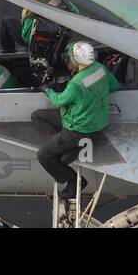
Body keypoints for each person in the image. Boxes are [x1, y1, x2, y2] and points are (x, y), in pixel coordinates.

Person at [32, 41, 119, 194]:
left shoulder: (76, 84)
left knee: (44, 156)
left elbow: (58, 101)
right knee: (38, 117)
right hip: (96, 121)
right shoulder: (100, 68)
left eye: (70, 57)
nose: (68, 60)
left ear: (77, 59)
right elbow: (113, 86)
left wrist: (47, 90)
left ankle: (73, 181)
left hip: (79, 128)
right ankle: (66, 147)